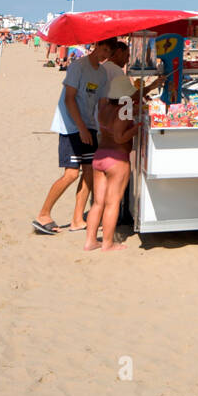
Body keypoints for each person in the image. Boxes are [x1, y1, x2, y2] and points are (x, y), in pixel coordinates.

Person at [32, 38, 118, 234]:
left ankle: (77, 219)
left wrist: (105, 125)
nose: (104, 54)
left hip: (89, 126)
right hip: (70, 126)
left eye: (109, 53)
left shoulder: (102, 73)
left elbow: (101, 102)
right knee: (71, 173)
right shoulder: (78, 66)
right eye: (103, 49)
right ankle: (43, 214)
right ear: (96, 46)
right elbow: (69, 99)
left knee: (89, 172)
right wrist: (81, 128)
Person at [84, 73, 141, 252]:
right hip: (117, 159)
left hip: (100, 156)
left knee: (98, 203)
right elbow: (120, 136)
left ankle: (90, 241)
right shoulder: (123, 112)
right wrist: (136, 129)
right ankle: (108, 243)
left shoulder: (105, 108)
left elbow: (110, 132)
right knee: (113, 202)